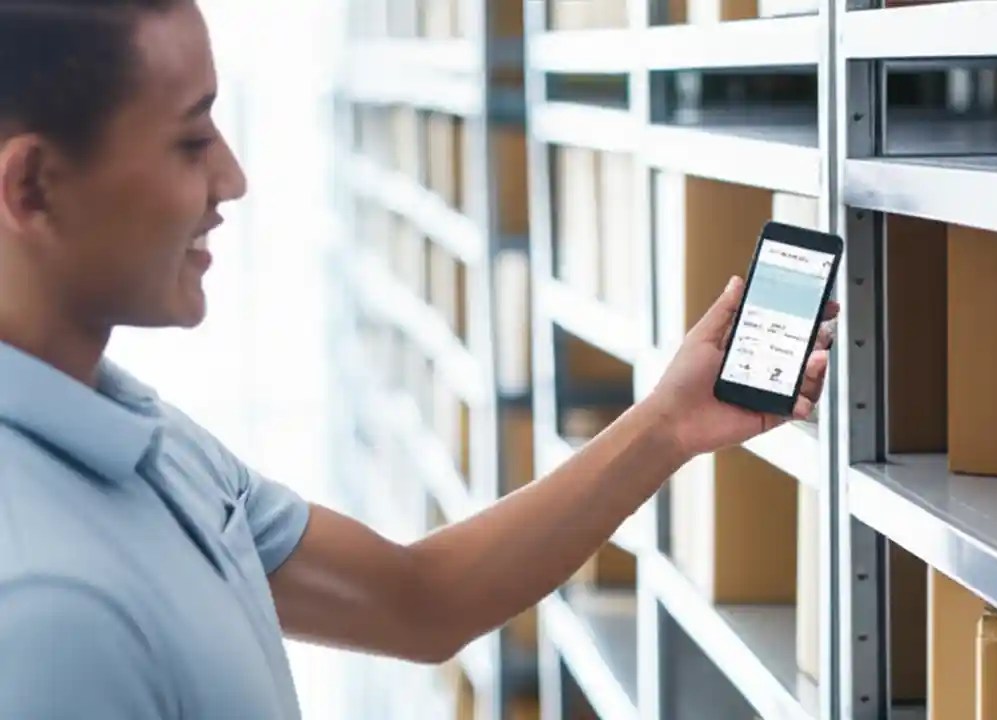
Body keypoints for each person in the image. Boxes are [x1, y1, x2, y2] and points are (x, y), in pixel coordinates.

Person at [0, 1, 836, 718]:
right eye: (190, 142)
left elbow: (419, 600)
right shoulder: (44, 617)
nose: (233, 177)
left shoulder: (149, 439)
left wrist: (667, 424)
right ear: (33, 186)